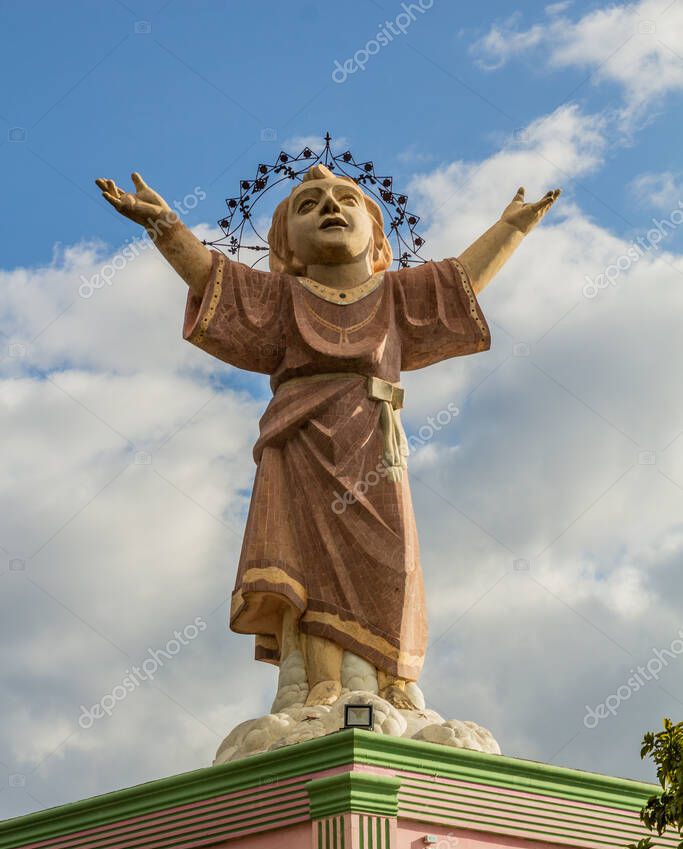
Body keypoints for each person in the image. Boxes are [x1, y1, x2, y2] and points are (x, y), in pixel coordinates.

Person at [96, 164, 559, 709]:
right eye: (308, 204)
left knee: (394, 559)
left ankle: (391, 682)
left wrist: (512, 229)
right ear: (286, 248)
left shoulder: (395, 297)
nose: (330, 208)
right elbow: (211, 277)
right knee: (309, 563)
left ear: (379, 240)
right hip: (303, 442)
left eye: (345, 199)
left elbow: (459, 281)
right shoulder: (280, 298)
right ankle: (321, 686)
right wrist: (166, 227)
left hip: (375, 445)